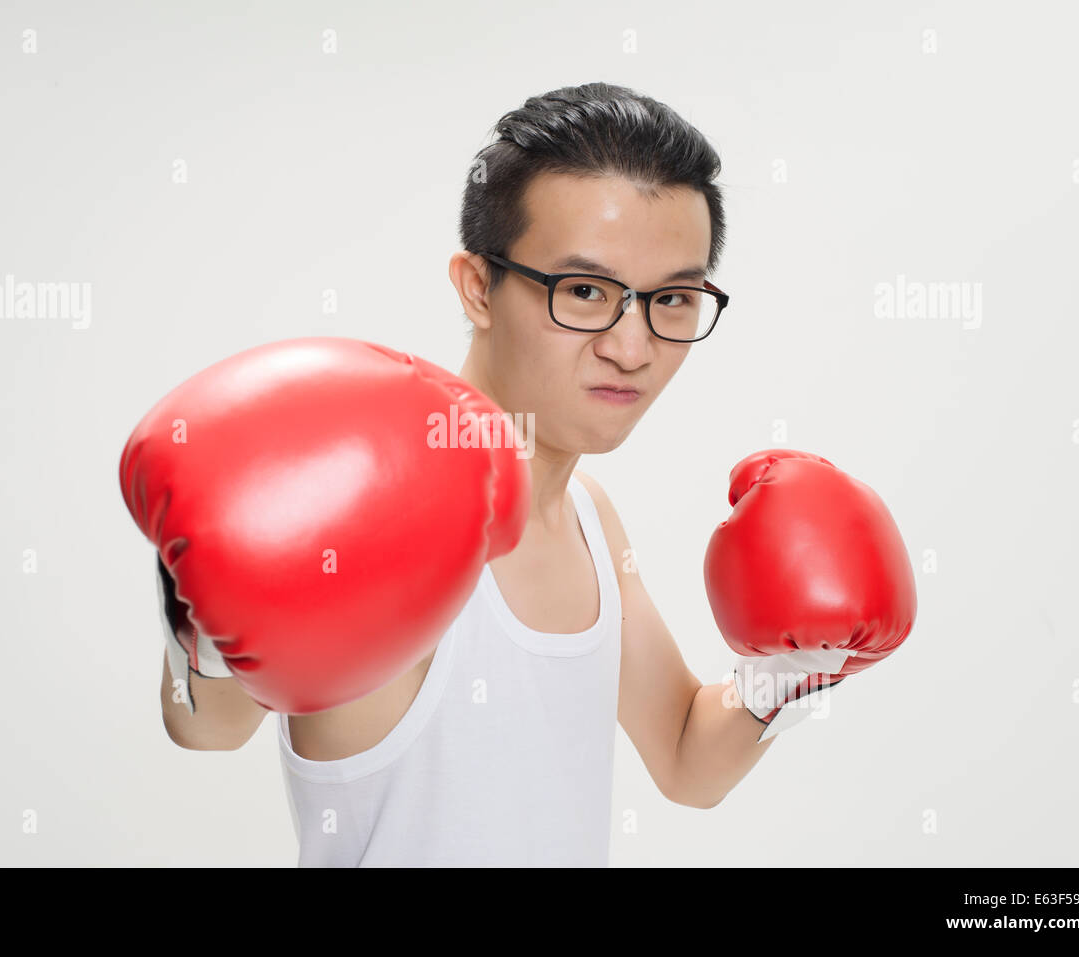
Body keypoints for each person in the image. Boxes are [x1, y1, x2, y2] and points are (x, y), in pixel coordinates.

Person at [152, 82, 912, 867]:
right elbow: (204, 726)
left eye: (673, 299)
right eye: (586, 291)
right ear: (478, 286)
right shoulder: (382, 509)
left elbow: (686, 759)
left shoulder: (587, 513)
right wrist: (205, 625)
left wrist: (793, 672)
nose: (631, 346)